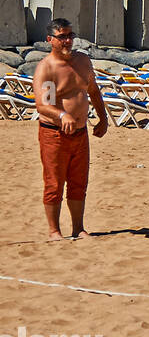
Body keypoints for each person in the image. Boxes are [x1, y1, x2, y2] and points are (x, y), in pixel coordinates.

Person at [32, 18, 109, 241]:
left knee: (78, 182)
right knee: (54, 183)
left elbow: (93, 91)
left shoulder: (83, 61)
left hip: (80, 132)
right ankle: (54, 231)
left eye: (70, 36)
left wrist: (103, 118)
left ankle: (78, 228)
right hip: (54, 134)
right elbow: (43, 105)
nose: (67, 40)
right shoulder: (47, 68)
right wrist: (62, 114)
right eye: (62, 37)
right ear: (50, 40)